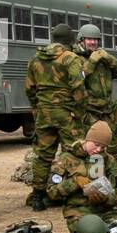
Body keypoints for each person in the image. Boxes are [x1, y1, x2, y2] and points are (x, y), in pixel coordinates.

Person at [24, 23, 88, 210]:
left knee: (42, 155)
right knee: (73, 152)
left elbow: (29, 89)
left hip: (44, 113)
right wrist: (79, 113)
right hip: (67, 113)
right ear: (70, 40)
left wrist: (36, 109)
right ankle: (71, 192)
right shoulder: (70, 58)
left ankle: (38, 196)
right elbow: (79, 88)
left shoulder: (36, 58)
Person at [45, 121, 117, 233]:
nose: (98, 150)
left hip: (106, 211)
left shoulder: (107, 160)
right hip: (78, 211)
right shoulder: (66, 158)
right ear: (88, 139)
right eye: (96, 144)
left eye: (103, 147)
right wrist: (74, 182)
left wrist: (106, 199)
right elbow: (52, 192)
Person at [75, 24, 117, 126]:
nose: (93, 42)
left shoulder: (102, 57)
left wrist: (109, 58)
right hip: (88, 111)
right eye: (89, 39)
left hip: (106, 111)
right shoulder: (75, 57)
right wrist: (92, 62)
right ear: (81, 40)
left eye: (96, 39)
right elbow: (77, 79)